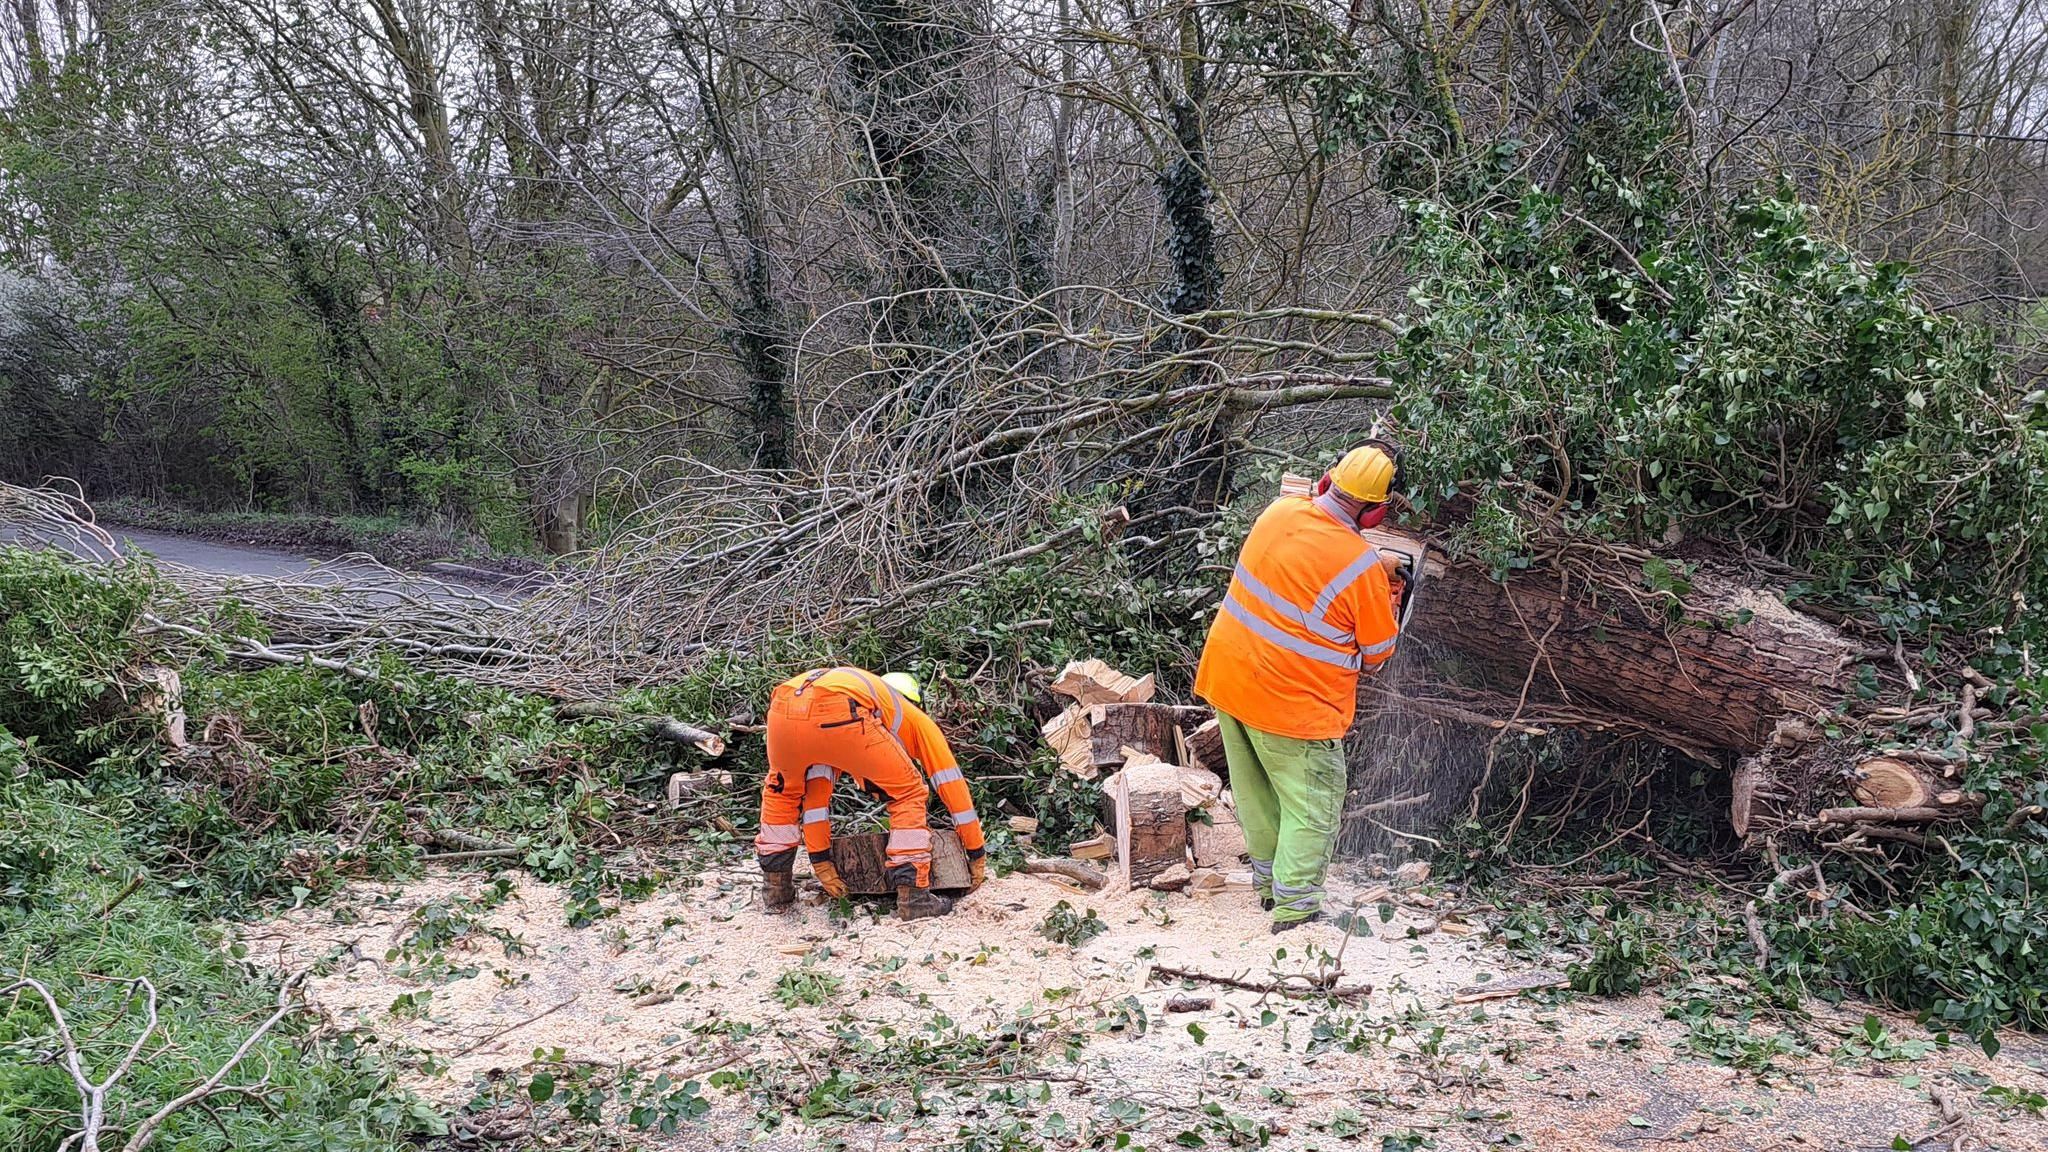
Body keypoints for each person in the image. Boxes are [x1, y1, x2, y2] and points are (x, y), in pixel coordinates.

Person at [1193, 442, 1407, 932]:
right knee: (1313, 806)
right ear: (1376, 513)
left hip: (1230, 679)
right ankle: (1297, 910)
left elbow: (1312, 560)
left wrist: (1375, 570)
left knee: (1259, 795)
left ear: (1329, 480)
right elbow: (1376, 655)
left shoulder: (1279, 511)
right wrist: (1384, 591)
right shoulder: (1360, 570)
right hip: (1294, 707)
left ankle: (1269, 888)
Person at [754, 667, 986, 920]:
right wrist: (976, 853)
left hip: (783, 708)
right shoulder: (915, 720)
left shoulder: (864, 696)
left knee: (782, 792)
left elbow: (816, 800)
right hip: (842, 709)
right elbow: (952, 787)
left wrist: (822, 863)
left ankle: (776, 890)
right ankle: (914, 897)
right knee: (907, 792)